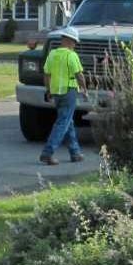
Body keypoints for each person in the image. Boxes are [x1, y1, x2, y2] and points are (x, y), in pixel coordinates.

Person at [40, 26, 88, 165]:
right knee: (62, 123)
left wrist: (48, 90)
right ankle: (48, 152)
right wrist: (84, 89)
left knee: (68, 122)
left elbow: (47, 74)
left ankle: (75, 152)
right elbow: (79, 75)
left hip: (57, 93)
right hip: (69, 92)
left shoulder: (52, 54)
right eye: (75, 42)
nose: (75, 45)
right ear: (69, 40)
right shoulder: (71, 55)